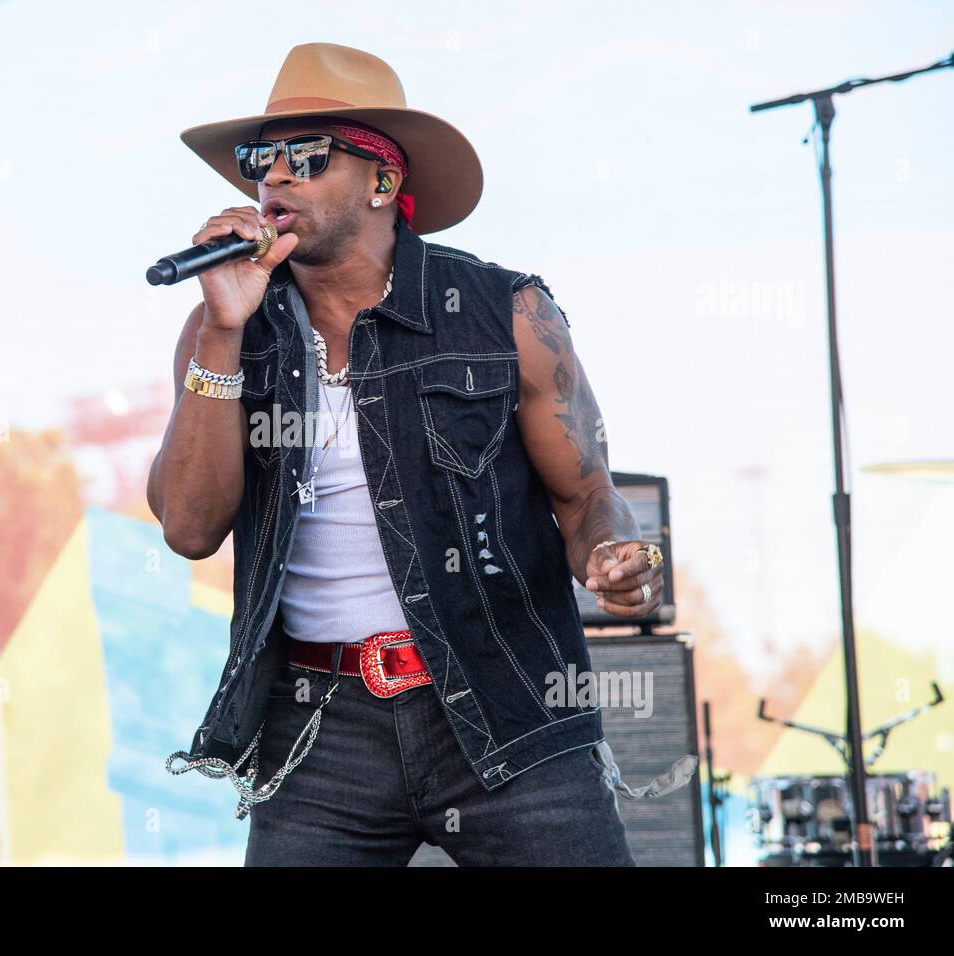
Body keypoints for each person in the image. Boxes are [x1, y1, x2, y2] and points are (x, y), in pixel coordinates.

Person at [147, 42, 693, 866]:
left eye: (306, 155)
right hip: (320, 732)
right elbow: (188, 529)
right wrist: (223, 330)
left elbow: (586, 498)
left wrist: (614, 557)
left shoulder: (502, 311)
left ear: (383, 182)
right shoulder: (225, 332)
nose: (274, 179)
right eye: (262, 160)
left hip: (504, 701)